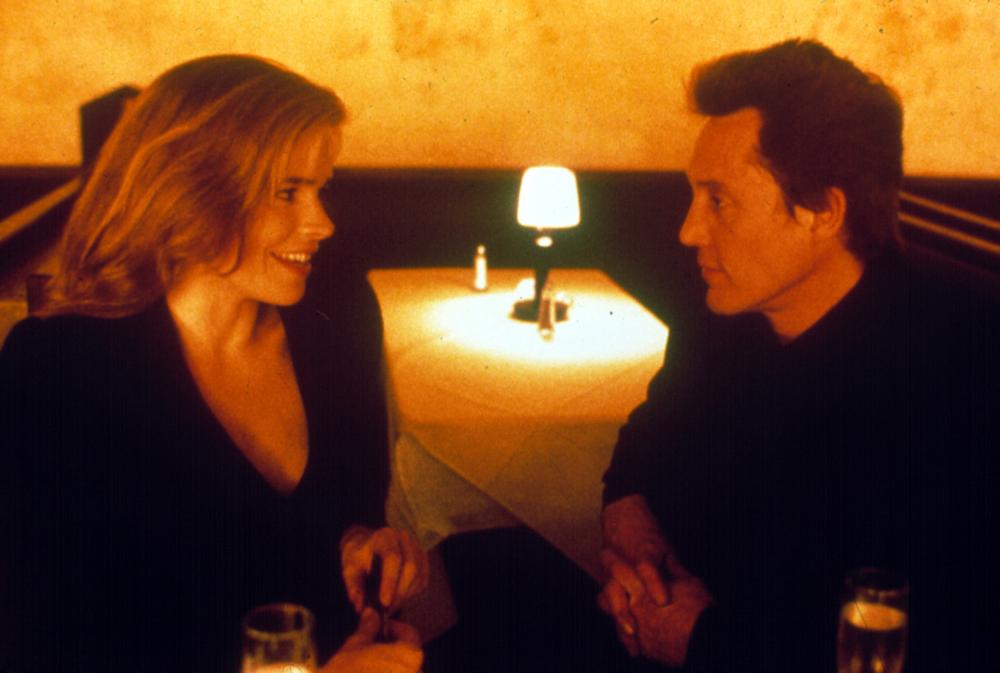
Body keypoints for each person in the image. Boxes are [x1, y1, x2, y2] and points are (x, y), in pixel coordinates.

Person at [0, 55, 428, 673]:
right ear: (192, 192)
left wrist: (364, 544)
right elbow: (44, 646)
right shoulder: (58, 369)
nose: (323, 223)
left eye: (321, 188)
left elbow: (349, 512)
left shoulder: (340, 316)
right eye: (287, 192)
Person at [598, 39, 997, 673]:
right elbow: (643, 444)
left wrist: (701, 642)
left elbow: (944, 644)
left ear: (822, 211)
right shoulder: (725, 311)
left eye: (719, 200)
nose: (688, 231)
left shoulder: (963, 368)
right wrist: (635, 539)